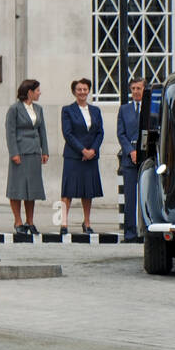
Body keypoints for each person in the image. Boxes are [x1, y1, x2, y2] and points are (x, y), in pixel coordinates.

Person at [59, 77, 104, 233]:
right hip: (73, 155)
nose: (82, 92)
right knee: (68, 190)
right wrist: (82, 150)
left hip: (91, 156)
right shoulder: (67, 110)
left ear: (89, 91)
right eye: (79, 89)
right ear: (74, 92)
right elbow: (68, 133)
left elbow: (100, 132)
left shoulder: (96, 110)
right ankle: (63, 223)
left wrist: (92, 150)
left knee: (88, 191)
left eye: (85, 89)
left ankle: (87, 222)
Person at [5, 79, 49, 235]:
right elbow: (10, 133)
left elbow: (42, 130)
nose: (39, 93)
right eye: (37, 90)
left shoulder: (38, 109)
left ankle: (30, 221)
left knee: (32, 189)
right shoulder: (14, 109)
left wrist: (45, 151)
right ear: (29, 92)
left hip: (35, 153)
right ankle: (18, 221)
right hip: (20, 153)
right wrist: (14, 153)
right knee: (17, 188)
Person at [117, 76, 145, 242]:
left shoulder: (151, 108)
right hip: (129, 159)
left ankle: (144, 231)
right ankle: (130, 233)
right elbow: (120, 133)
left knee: (144, 197)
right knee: (130, 197)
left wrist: (141, 153)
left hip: (145, 159)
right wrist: (131, 152)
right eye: (133, 88)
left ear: (144, 90)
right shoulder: (124, 109)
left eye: (139, 88)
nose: (135, 91)